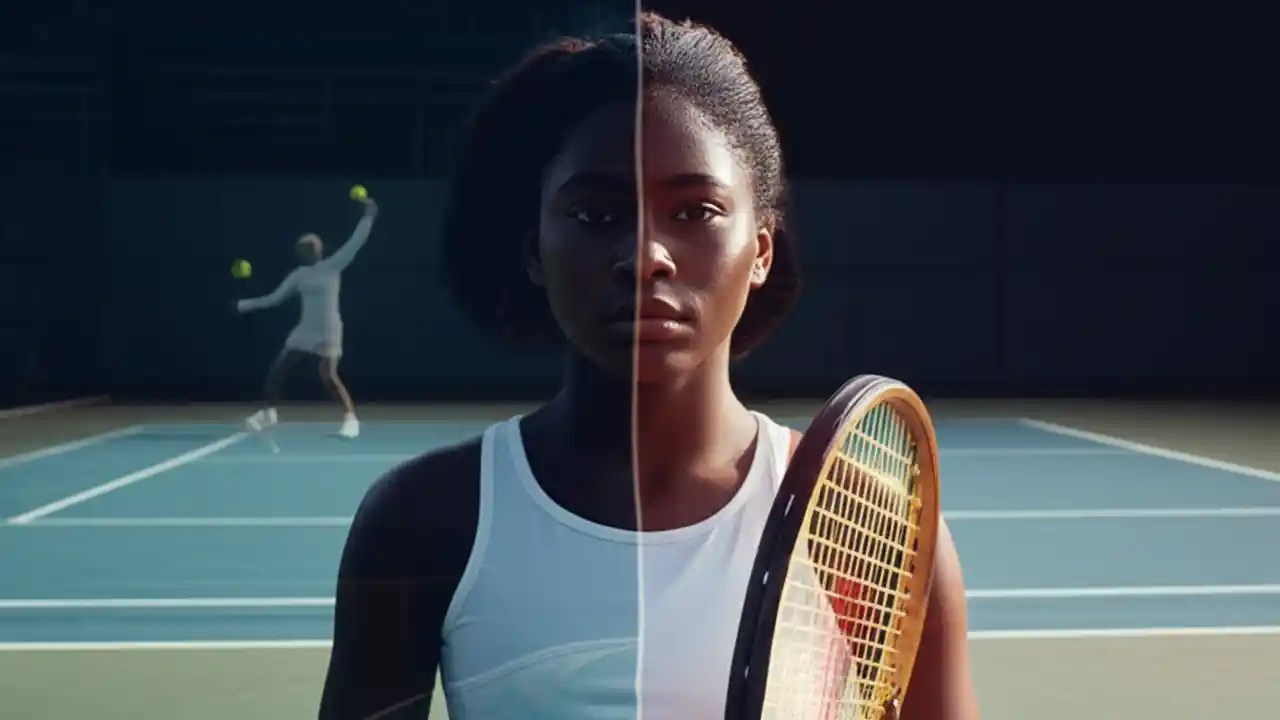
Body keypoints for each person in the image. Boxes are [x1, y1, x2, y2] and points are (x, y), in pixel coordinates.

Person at [319, 13, 977, 720]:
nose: (646, 255)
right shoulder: (425, 520)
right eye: (596, 215)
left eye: (695, 211)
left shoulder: (874, 529)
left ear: (760, 251)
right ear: (535, 250)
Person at [236, 197, 378, 439]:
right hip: (305, 330)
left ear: (318, 251)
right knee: (279, 369)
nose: (305, 250)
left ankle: (350, 420)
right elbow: (274, 298)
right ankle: (269, 413)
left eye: (310, 247)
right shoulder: (298, 276)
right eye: (302, 248)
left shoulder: (334, 265)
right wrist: (244, 305)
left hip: (329, 329)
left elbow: (356, 242)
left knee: (328, 376)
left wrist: (368, 216)